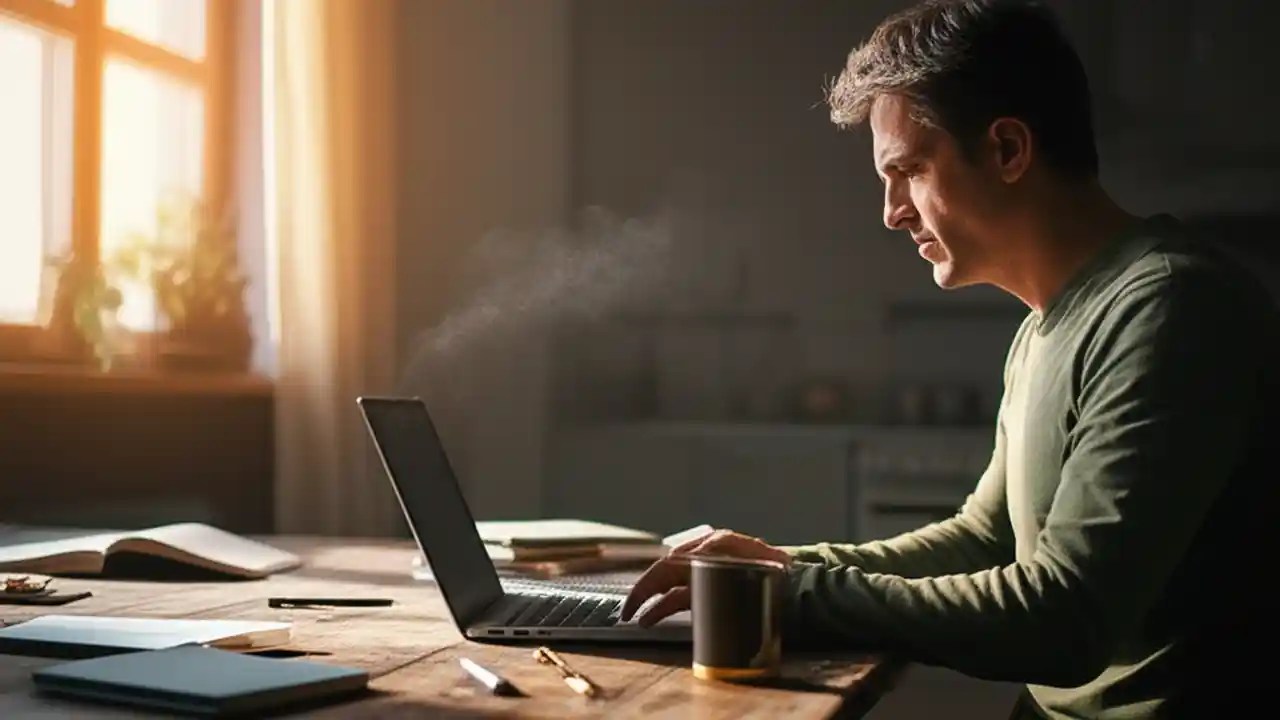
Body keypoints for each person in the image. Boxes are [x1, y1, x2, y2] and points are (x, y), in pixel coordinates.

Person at [620, 1, 1279, 718]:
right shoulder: (1045, 326)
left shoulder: (1171, 308)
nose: (892, 211)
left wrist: (797, 593)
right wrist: (782, 568)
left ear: (1007, 150)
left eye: (908, 170)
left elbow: (1065, 621)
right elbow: (984, 541)